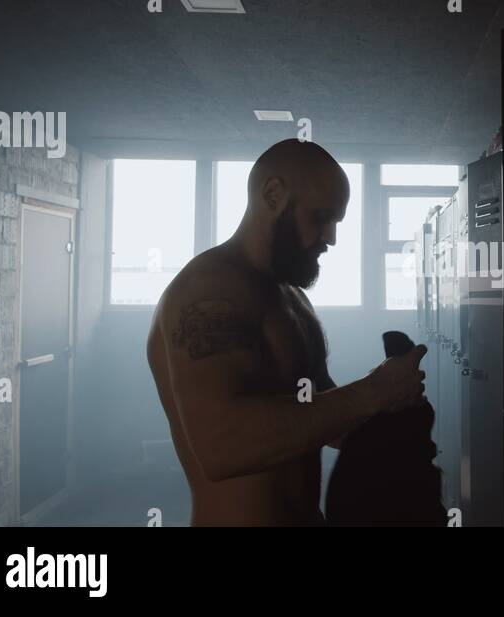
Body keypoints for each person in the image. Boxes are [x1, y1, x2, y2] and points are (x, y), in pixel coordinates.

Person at [146, 139, 427, 526]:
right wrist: (372, 392)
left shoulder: (290, 296)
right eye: (321, 217)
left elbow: (317, 411)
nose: (331, 237)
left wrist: (391, 419)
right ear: (273, 194)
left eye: (337, 221)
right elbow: (221, 445)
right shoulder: (207, 291)